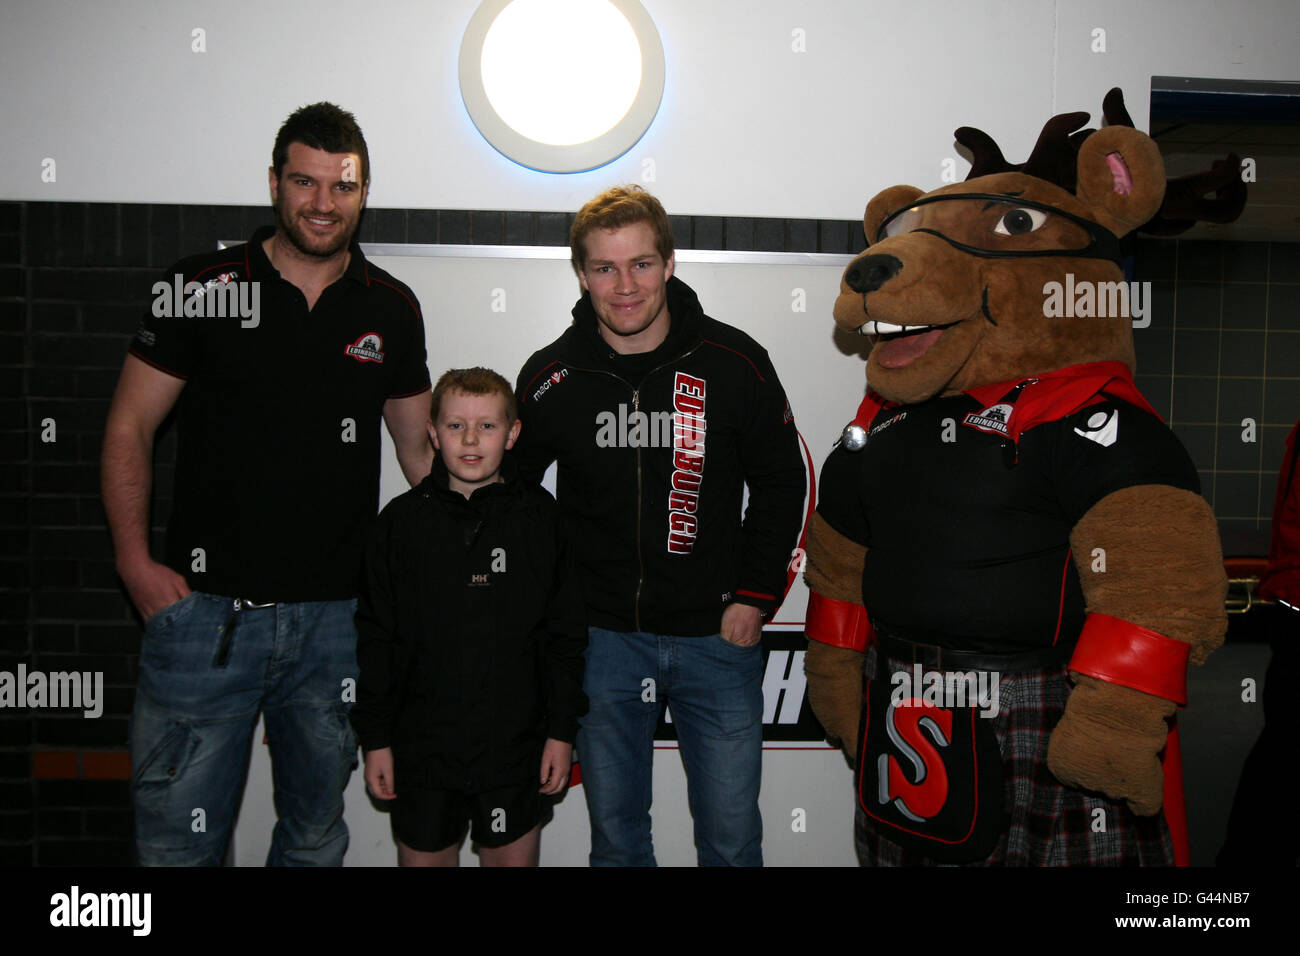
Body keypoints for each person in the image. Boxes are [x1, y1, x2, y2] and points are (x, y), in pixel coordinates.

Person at [102, 102, 433, 866]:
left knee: (314, 839)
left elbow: (420, 458)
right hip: (201, 618)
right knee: (175, 845)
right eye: (305, 182)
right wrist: (133, 563)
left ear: (363, 191)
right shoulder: (199, 286)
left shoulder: (391, 306)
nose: (322, 203)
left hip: (335, 629)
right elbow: (128, 429)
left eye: (341, 186)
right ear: (275, 185)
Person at [513, 185, 806, 866]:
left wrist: (757, 597)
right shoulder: (553, 375)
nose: (625, 286)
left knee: (732, 843)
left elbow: (781, 480)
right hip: (604, 644)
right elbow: (514, 502)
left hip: (717, 639)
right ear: (582, 275)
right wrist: (562, 607)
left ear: (670, 264)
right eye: (606, 269)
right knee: (617, 842)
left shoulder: (735, 362)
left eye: (642, 264)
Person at [351, 368, 587, 866]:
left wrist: (561, 733)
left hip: (514, 750)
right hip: (422, 754)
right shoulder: (399, 524)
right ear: (433, 434)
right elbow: (376, 640)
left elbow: (564, 638)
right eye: (456, 426)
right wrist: (376, 740)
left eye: (488, 426)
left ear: (514, 433)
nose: (472, 440)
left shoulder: (544, 523)